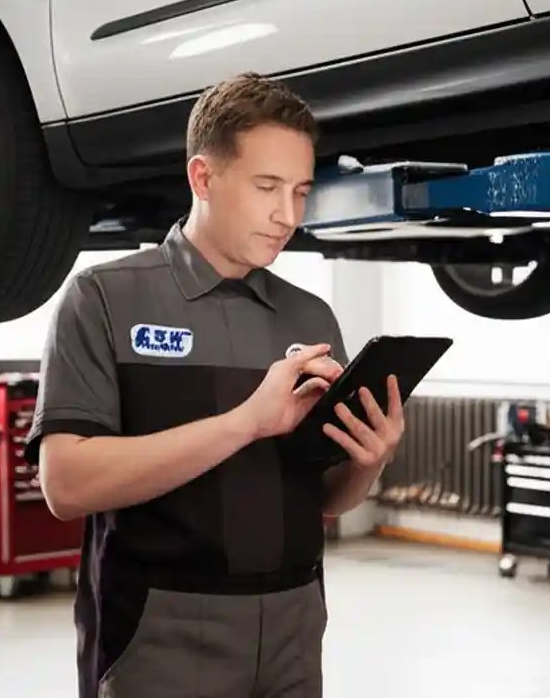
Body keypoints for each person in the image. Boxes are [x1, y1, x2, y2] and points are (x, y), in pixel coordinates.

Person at [27, 72, 406, 698]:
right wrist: (246, 422)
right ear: (202, 178)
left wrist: (370, 461)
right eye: (267, 188)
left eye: (301, 191)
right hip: (160, 630)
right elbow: (65, 484)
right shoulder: (104, 298)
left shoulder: (311, 317)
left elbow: (326, 497)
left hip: (294, 625)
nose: (288, 215)